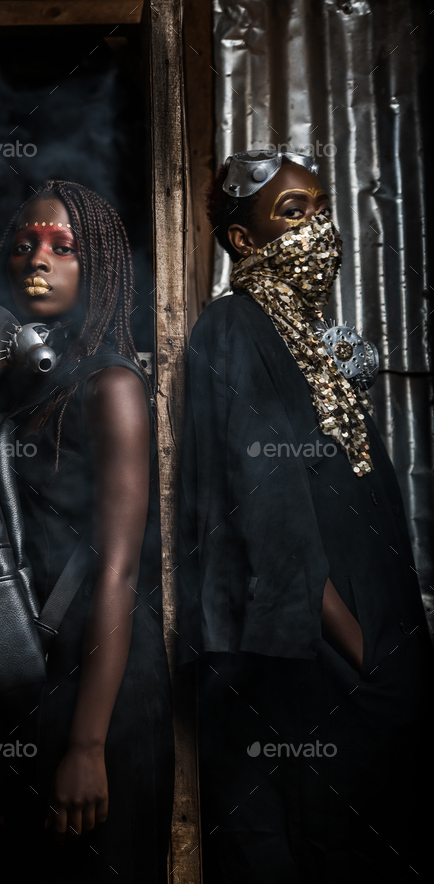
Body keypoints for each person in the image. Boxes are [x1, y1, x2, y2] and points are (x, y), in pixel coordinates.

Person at [177, 151, 433, 883]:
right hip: (319, 670)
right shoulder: (234, 328)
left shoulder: (316, 340)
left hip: (380, 659)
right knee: (318, 841)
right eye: (294, 213)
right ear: (244, 242)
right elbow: (268, 512)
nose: (318, 227)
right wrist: (359, 655)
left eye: (320, 207)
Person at [0, 179, 174, 882]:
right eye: (23, 245)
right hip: (29, 688)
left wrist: (85, 745)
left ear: (98, 265)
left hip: (101, 694)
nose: (36, 260)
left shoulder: (114, 389)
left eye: (61, 246)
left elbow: (118, 570)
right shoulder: (28, 397)